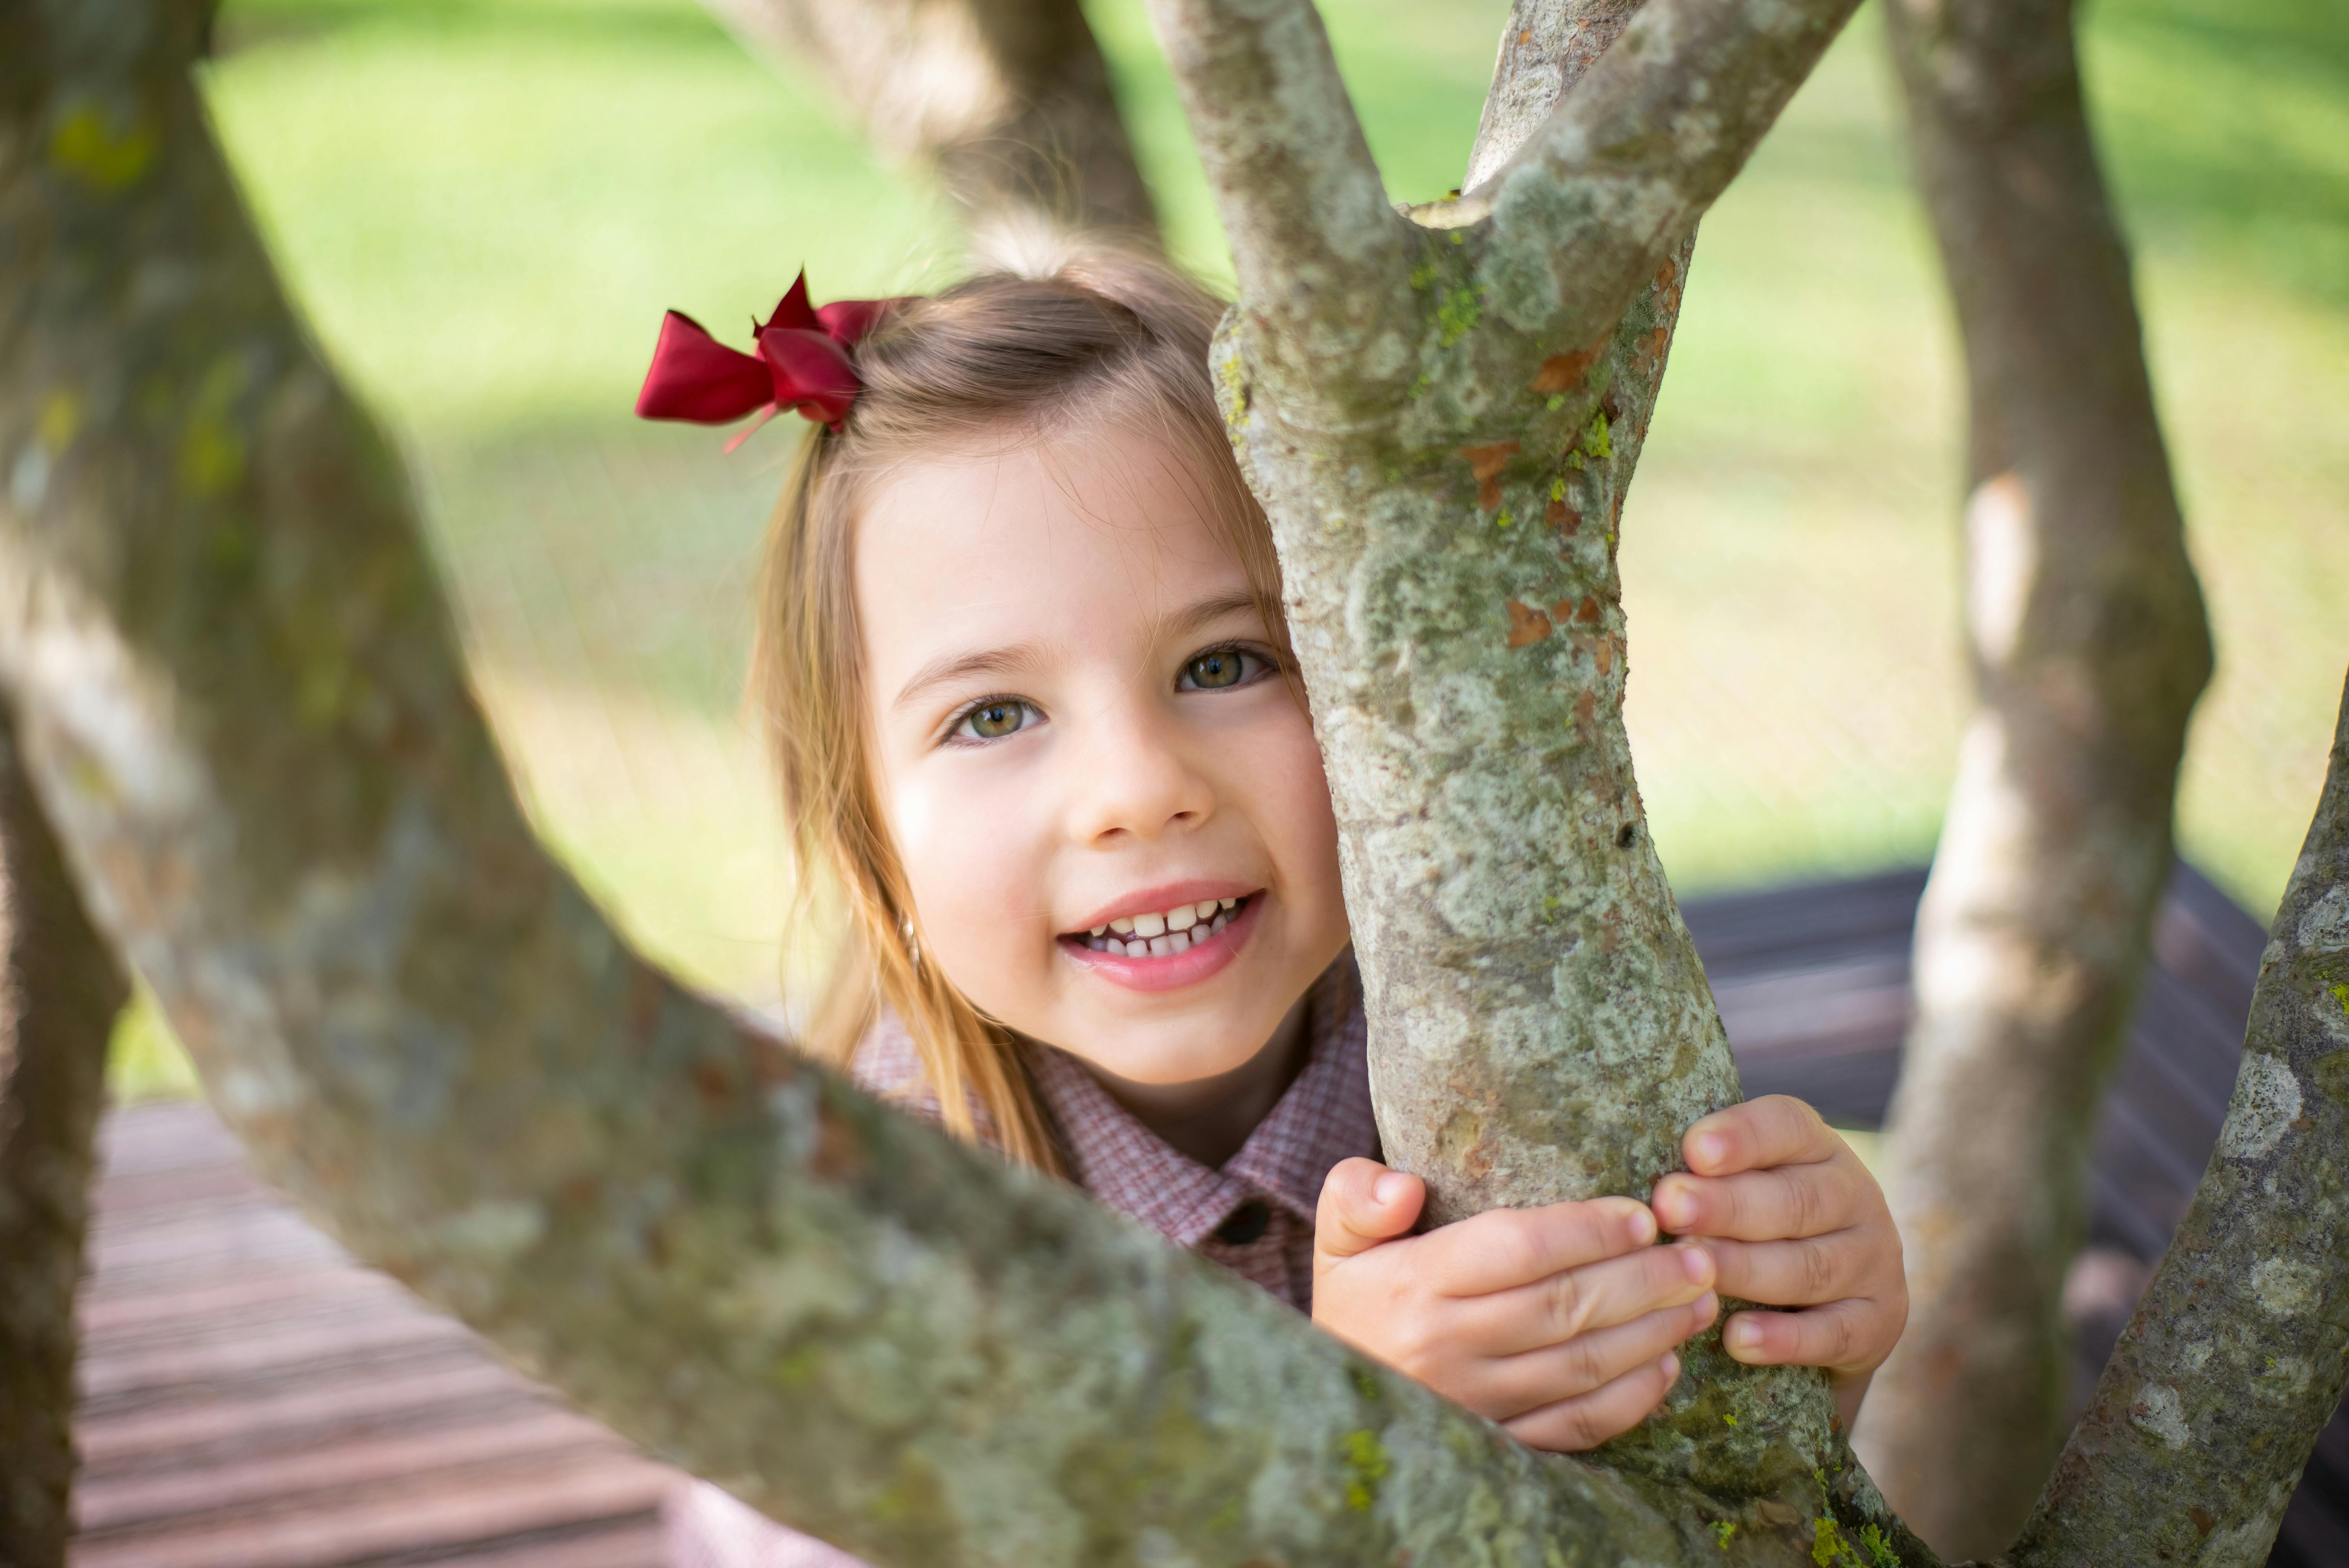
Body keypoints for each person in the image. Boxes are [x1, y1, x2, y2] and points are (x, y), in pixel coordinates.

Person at [635, 251, 1907, 1567]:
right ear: (870, 840)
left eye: (1226, 662)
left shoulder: (1513, 1060)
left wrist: (1796, 1353)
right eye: (993, 715)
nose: (1136, 793)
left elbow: (1705, 1508)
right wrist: (1332, 1466)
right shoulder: (859, 1252)